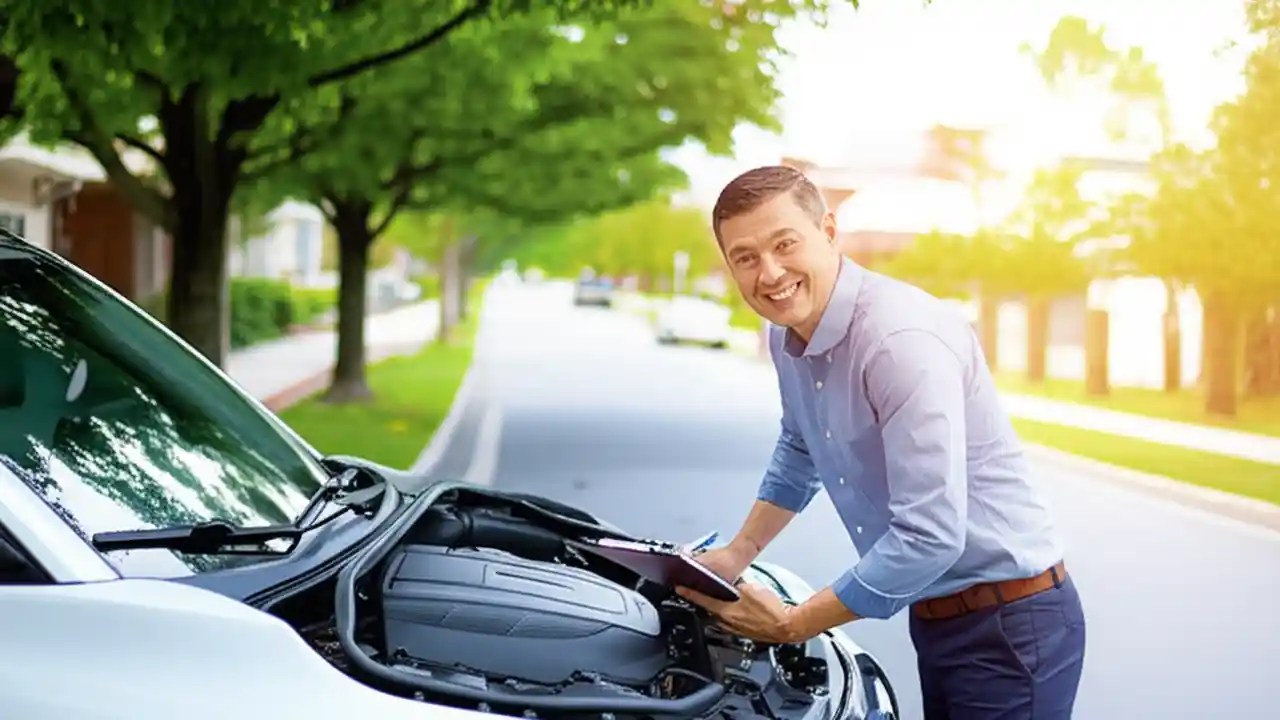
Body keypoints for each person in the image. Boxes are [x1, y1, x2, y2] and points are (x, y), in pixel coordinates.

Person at [675, 165, 1086, 718]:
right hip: (939, 615)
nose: (769, 273)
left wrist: (791, 624)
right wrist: (735, 554)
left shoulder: (899, 341)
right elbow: (800, 449)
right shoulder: (785, 335)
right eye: (745, 257)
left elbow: (932, 537)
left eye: (784, 244)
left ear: (828, 231)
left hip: (1012, 623)